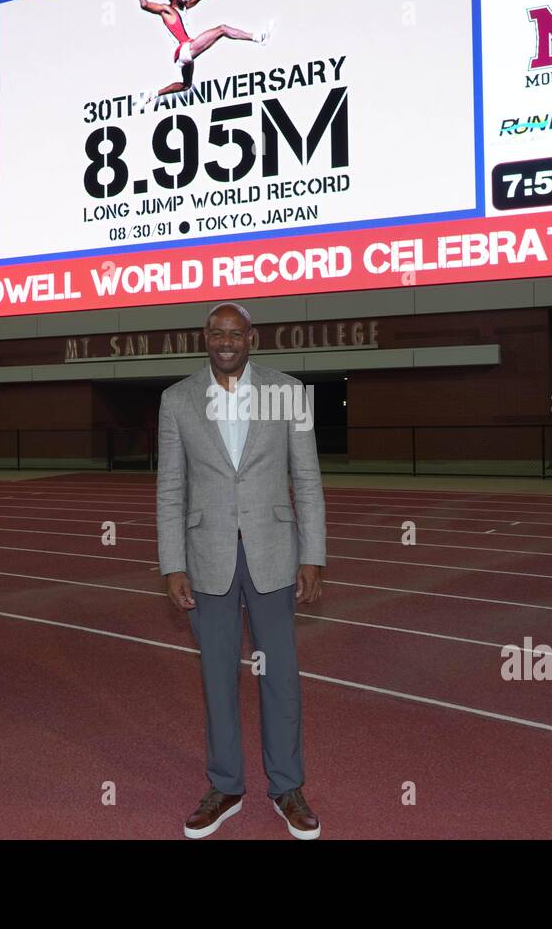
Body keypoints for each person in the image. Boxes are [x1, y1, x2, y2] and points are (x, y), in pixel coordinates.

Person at [156, 301, 326, 839]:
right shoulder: (176, 400)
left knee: (280, 677)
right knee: (217, 678)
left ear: (252, 337)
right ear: (204, 338)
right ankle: (226, 785)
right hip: (206, 559)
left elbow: (308, 479)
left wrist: (313, 555)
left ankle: (287, 787)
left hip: (274, 552)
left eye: (235, 333)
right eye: (216, 333)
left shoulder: (289, 392)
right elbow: (170, 490)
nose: (226, 341)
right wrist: (172, 564)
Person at [133, 0, 273, 98]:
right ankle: (258, 38)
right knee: (222, 29)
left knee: (186, 85)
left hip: (185, 54)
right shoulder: (166, 9)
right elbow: (144, 4)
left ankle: (153, 94)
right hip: (184, 49)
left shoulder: (185, 7)